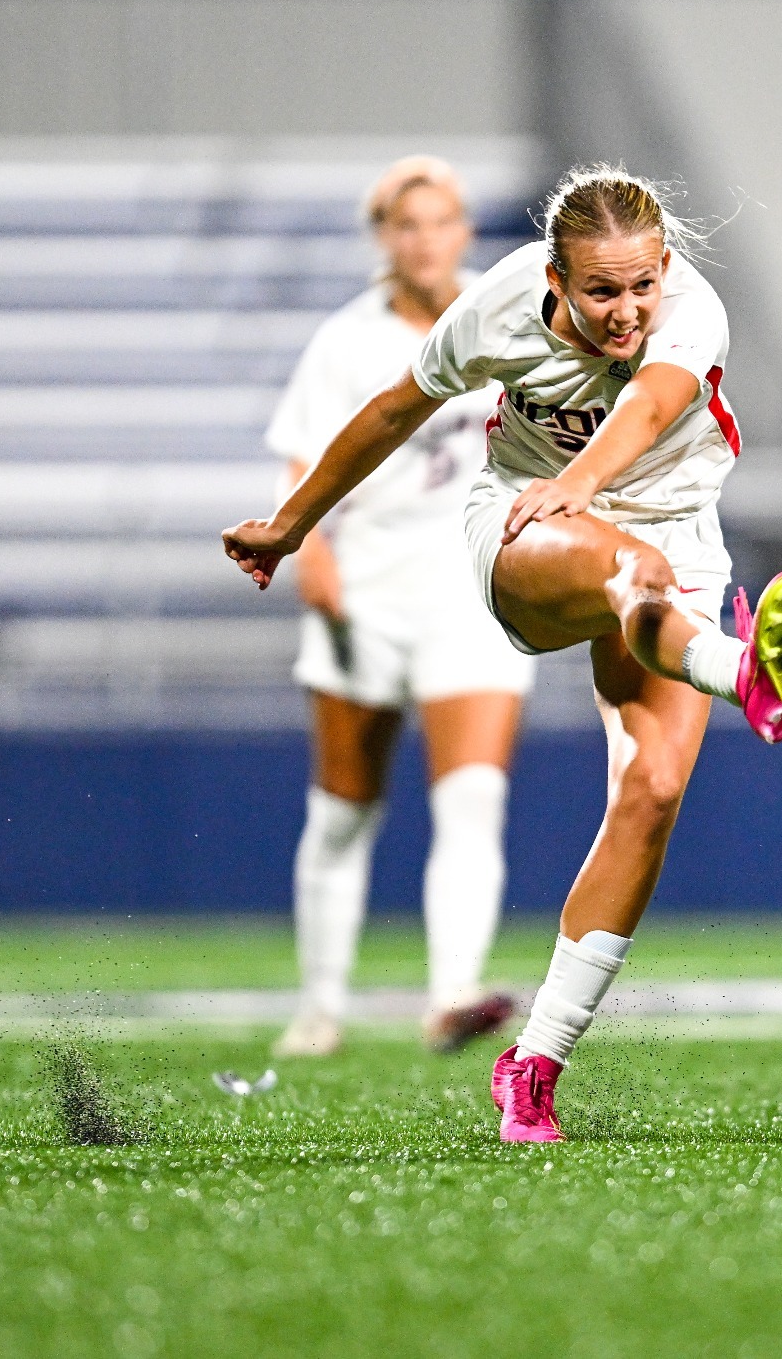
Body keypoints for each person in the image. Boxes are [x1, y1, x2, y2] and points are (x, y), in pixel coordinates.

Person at [224, 164, 782, 1143]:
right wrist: (292, 525)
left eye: (641, 284)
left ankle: (532, 1062)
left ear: (664, 265)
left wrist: (583, 479)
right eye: (600, 289)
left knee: (654, 792)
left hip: (670, 535)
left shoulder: (692, 311)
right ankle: (737, 670)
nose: (627, 308)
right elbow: (388, 412)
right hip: (524, 532)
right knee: (627, 569)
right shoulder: (494, 308)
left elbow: (650, 401)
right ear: (553, 273)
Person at [267, 156, 535, 1060]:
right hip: (369, 595)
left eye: (442, 220)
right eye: (406, 223)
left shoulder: (506, 321)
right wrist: (311, 552)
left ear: (465, 230)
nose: (425, 239)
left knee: (474, 801)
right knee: (344, 809)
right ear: (384, 237)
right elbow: (303, 467)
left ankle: (453, 992)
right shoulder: (346, 342)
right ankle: (319, 1006)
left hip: (473, 595)